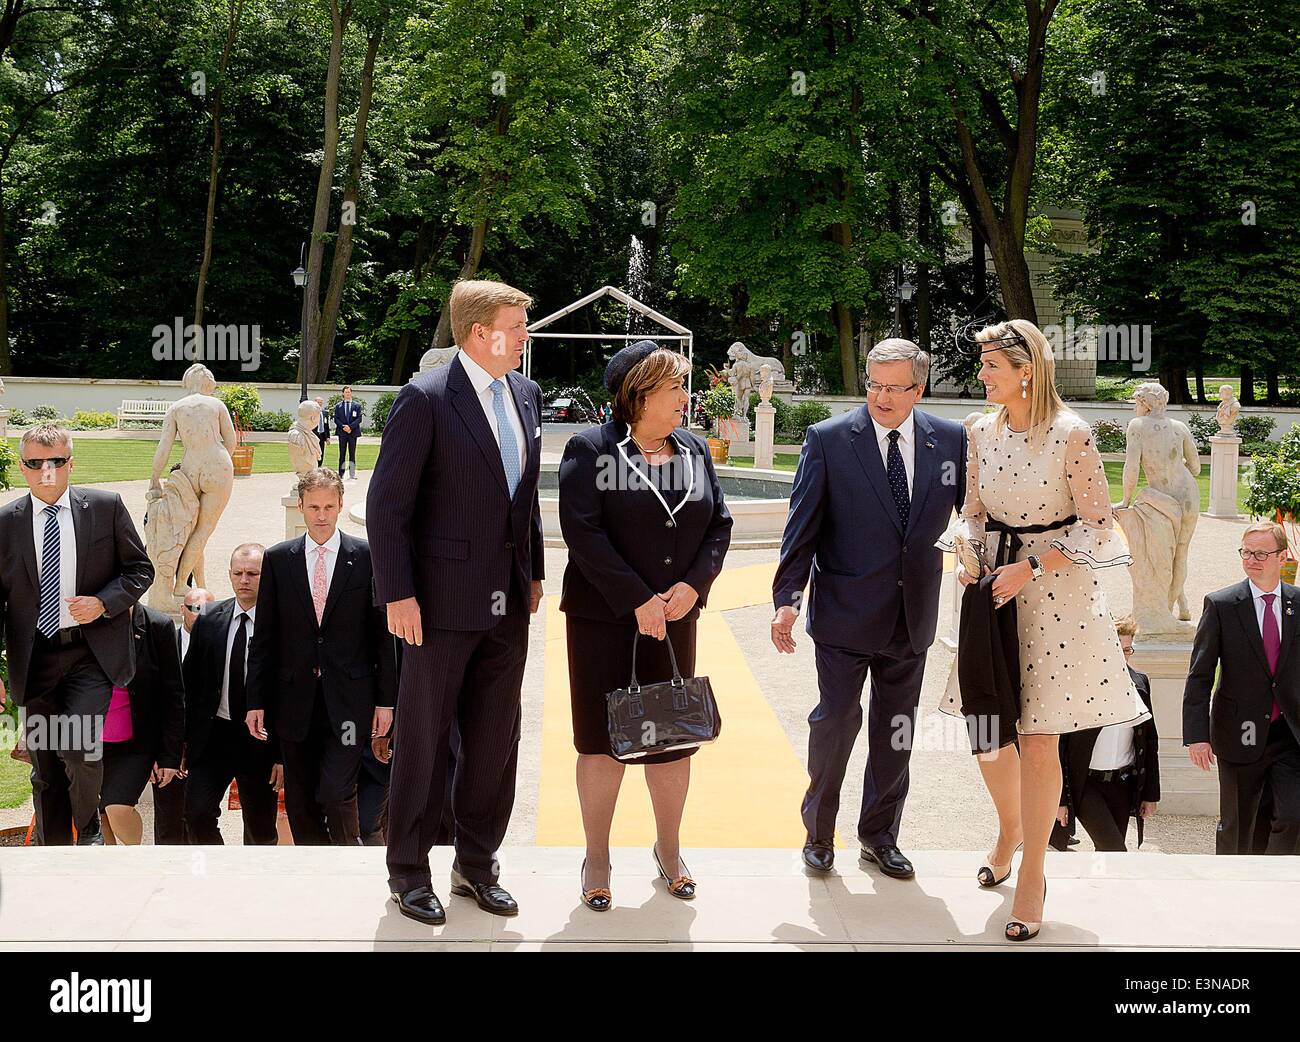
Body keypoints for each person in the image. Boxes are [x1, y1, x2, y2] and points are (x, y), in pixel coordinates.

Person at [939, 319, 1148, 942]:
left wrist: (1031, 567)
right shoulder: (979, 430)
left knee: (1038, 740)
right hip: (993, 594)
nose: (981, 376)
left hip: (1056, 594)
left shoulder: (1071, 435)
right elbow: (971, 513)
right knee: (986, 731)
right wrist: (967, 554)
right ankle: (1011, 826)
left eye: (990, 367)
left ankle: (1032, 873)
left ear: (1026, 370)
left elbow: (1099, 526)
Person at [367, 278, 545, 925]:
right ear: (478, 332)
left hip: (507, 606)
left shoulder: (527, 395)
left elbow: (522, 501)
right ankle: (408, 871)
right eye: (517, 324)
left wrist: (535, 572)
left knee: (496, 737)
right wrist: (399, 594)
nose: (526, 335)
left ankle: (476, 863)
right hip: (436, 607)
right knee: (425, 738)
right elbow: (387, 509)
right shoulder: (426, 399)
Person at [771, 340, 966, 881]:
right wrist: (787, 602)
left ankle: (880, 836)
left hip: (913, 615)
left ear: (918, 389)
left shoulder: (950, 440)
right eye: (873, 384)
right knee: (836, 722)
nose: (880, 396)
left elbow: (971, 515)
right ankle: (819, 832)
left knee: (895, 729)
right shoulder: (829, 440)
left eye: (893, 387)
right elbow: (800, 529)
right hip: (843, 614)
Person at [559, 342, 732, 909]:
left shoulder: (695, 450)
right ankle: (598, 855)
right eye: (675, 388)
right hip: (605, 620)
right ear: (639, 394)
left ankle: (669, 849)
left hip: (676, 616)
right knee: (602, 741)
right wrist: (637, 598)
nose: (687, 398)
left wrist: (692, 587)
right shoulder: (590, 449)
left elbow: (720, 525)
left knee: (672, 738)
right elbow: (583, 534)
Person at [0, 423, 153, 844]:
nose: (46, 471)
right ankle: (54, 852)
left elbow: (140, 570)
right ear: (22, 467)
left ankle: (87, 830)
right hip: (36, 660)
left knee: (80, 748)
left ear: (71, 463)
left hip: (91, 654)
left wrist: (104, 602)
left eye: (56, 462)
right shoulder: (4, 522)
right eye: (35, 463)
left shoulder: (105, 507)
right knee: (46, 769)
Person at [245, 468, 396, 845]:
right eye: (313, 506)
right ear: (300, 506)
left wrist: (385, 702)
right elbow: (264, 639)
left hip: (348, 703)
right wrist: (256, 701)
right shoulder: (279, 560)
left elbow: (383, 637)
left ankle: (348, 861)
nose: (322, 514)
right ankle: (316, 870)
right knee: (299, 801)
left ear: (341, 505)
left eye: (329, 506)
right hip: (294, 703)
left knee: (335, 791)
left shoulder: (366, 556)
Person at [1184, 521, 1300, 854]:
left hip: (1290, 733)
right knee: (1239, 823)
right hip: (1240, 731)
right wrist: (1197, 735)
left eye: (1261, 553)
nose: (1252, 560)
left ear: (1282, 557)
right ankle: (1232, 890)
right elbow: (1200, 674)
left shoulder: (1298, 603)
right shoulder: (1221, 605)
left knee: (1293, 816)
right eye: (1247, 553)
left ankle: (1276, 882)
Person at [182, 544, 283, 844]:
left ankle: (254, 883)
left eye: (252, 574)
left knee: (260, 827)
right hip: (213, 736)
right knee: (196, 813)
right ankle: (219, 870)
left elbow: (289, 695)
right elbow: (190, 683)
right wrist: (184, 741)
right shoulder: (210, 618)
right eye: (238, 573)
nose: (244, 580)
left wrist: (281, 755)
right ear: (229, 575)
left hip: (260, 741)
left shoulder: (283, 623)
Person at [1054, 616, 1160, 852]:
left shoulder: (1140, 684)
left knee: (1109, 852)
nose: (1122, 657)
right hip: (1086, 784)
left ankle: (1098, 887)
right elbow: (1061, 746)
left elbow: (1150, 741)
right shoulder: (1078, 685)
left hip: (1123, 784)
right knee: (1115, 849)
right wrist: (1060, 799)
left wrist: (1150, 794)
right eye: (1116, 649)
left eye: (1127, 650)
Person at [99, 603, 185, 845]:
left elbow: (173, 694)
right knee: (99, 815)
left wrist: (170, 754)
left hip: (136, 743)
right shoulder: (87, 622)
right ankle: (113, 874)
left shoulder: (157, 625)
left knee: (118, 808)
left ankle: (135, 856)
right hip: (91, 739)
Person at [334, 387, 362, 480]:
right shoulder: (338, 406)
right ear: (343, 393)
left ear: (351, 393)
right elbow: (336, 419)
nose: (348, 394)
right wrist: (344, 427)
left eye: (349, 392)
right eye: (346, 392)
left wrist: (350, 427)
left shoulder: (357, 406)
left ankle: (352, 474)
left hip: (353, 433)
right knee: (342, 453)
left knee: (352, 453)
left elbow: (359, 419)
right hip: (342, 433)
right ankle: (341, 474)